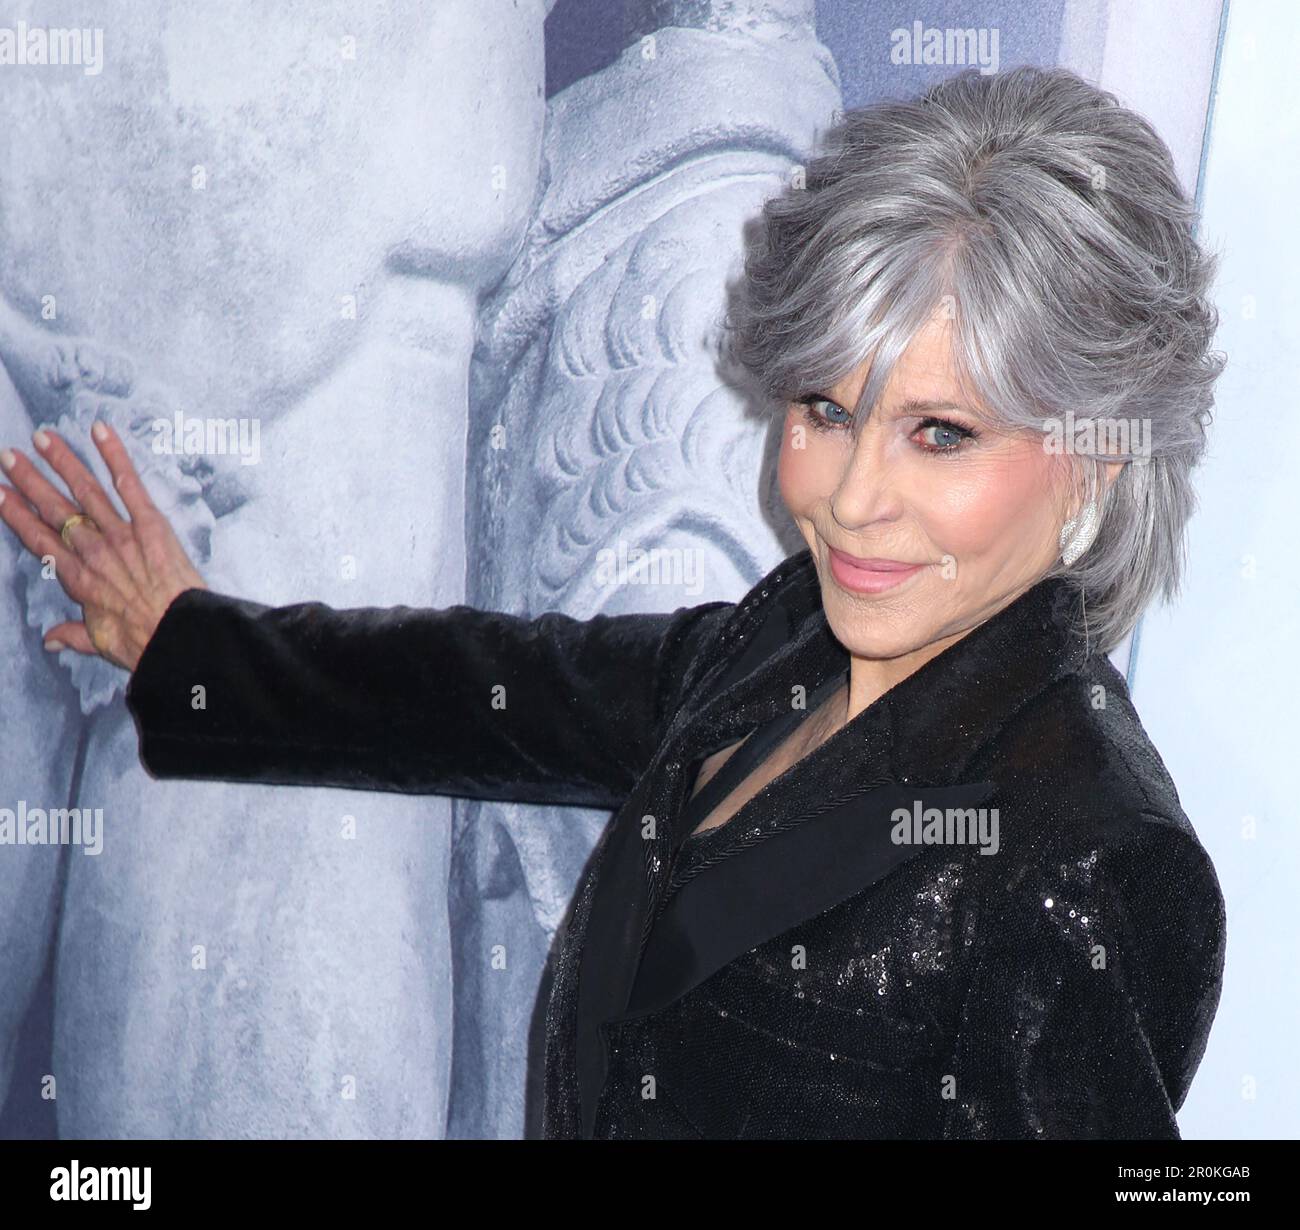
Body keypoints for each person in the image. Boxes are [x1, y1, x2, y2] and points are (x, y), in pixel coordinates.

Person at [0, 66, 1226, 1139]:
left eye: (940, 434)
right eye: (825, 410)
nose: (853, 499)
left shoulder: (1088, 857)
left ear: (1092, 462)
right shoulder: (791, 640)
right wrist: (185, 644)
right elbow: (493, 693)